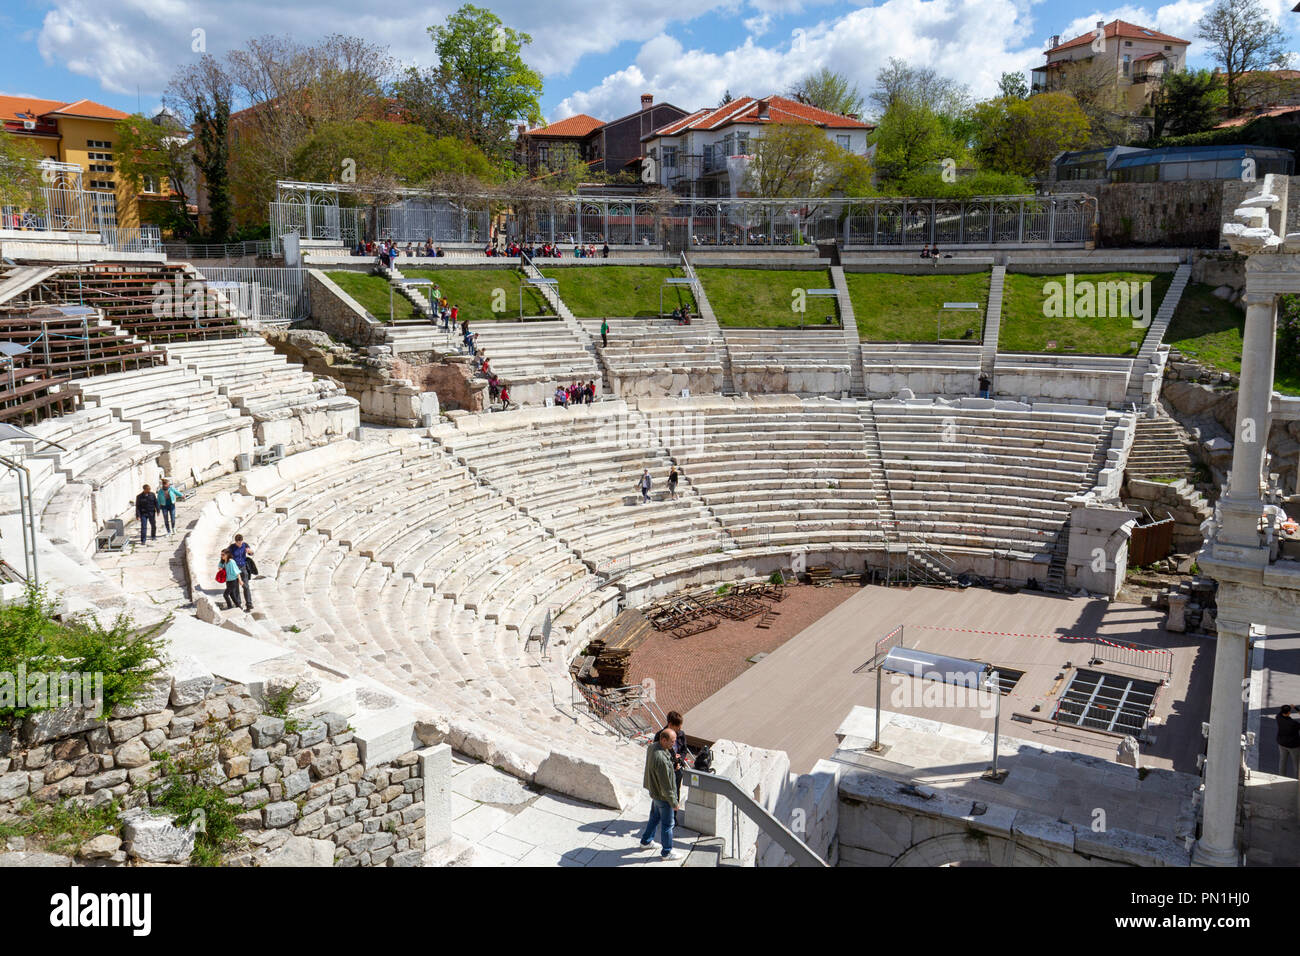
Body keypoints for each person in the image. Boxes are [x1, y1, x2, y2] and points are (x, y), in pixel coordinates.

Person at [639, 729, 683, 860]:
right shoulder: (662, 760)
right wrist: (674, 802)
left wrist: (671, 764)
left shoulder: (652, 747)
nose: (674, 744)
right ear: (663, 740)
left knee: (654, 817)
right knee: (667, 825)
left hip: (654, 791)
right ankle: (667, 852)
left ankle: (646, 841)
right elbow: (667, 785)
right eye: (672, 741)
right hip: (663, 797)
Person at [228, 533, 255, 611]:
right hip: (234, 569)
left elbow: (251, 553)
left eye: (241, 543)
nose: (240, 545)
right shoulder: (231, 547)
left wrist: (250, 551)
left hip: (243, 568)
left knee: (246, 586)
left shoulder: (245, 545)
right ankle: (238, 604)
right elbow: (225, 556)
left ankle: (249, 604)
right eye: (238, 543)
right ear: (235, 542)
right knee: (236, 587)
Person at [1278, 705, 1300, 776]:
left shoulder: (1278, 717)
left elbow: (1280, 713)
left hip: (1282, 744)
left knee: (1282, 761)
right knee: (1296, 764)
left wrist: (1287, 708)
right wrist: (1296, 709)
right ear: (1289, 713)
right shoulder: (1294, 723)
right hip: (1293, 746)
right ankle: (1296, 780)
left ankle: (1281, 777)